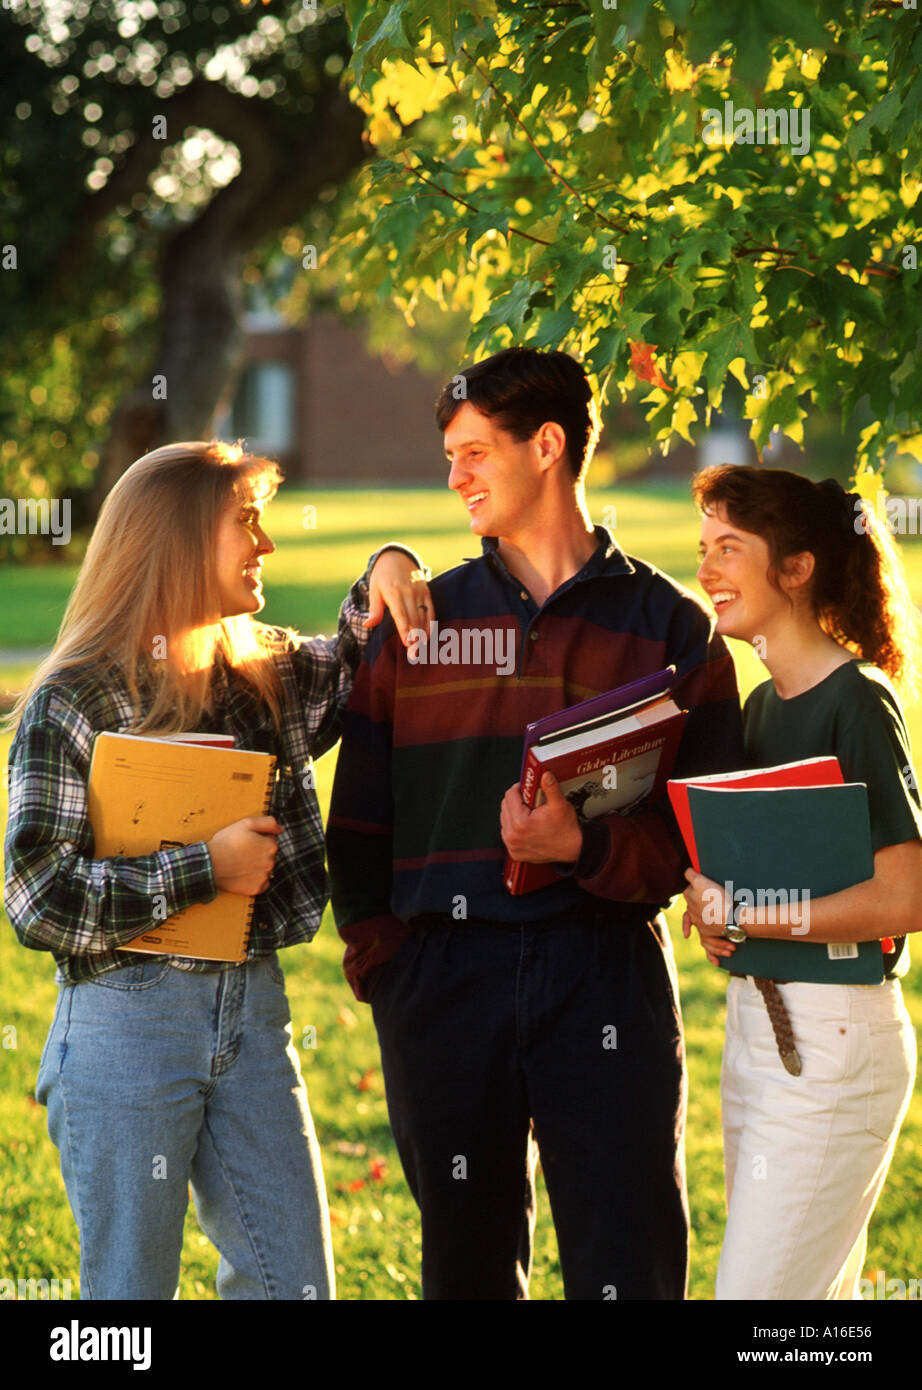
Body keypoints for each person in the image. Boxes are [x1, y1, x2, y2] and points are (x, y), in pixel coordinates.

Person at [326, 348, 744, 1300]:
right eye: (449, 455)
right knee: (466, 1271)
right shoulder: (422, 620)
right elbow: (359, 821)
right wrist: (389, 968)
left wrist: (583, 849)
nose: (454, 476)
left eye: (474, 452)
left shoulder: (670, 625)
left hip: (604, 972)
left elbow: (703, 834)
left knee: (629, 1258)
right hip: (442, 981)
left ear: (547, 446)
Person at [3, 439, 434, 1301]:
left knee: (295, 1285)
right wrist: (204, 867)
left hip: (253, 1015)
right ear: (176, 541)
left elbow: (358, 655)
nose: (267, 545)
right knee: (127, 1300)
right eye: (246, 524)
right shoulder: (74, 701)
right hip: (126, 1025)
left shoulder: (261, 672)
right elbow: (37, 898)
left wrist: (391, 564)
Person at [682, 463, 922, 1301]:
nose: (707, 568)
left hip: (836, 1039)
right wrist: (716, 916)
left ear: (796, 567)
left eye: (730, 548)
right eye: (704, 546)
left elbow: (905, 897)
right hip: (758, 1032)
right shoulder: (760, 709)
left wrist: (750, 913)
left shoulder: (857, 702)